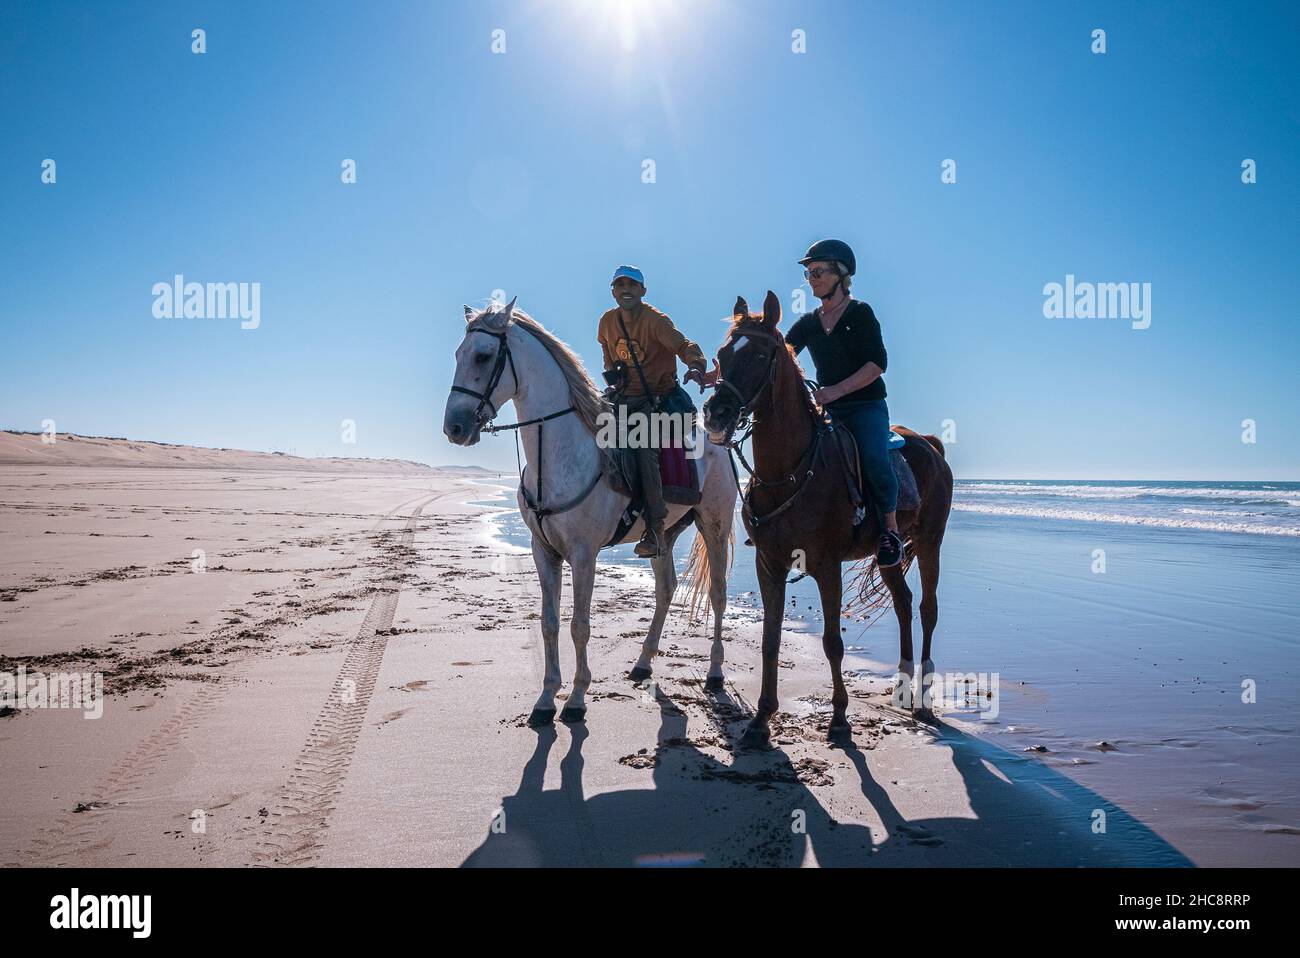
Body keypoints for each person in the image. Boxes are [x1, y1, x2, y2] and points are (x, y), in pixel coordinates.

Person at [785, 239, 904, 567]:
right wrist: (721, 372)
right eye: (808, 273)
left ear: (840, 274)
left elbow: (877, 364)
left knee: (873, 456)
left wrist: (835, 391)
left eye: (818, 271)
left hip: (866, 406)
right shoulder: (809, 322)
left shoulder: (861, 313)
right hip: (829, 409)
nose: (812, 278)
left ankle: (890, 532)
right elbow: (779, 353)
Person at [597, 266, 716, 558]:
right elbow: (608, 359)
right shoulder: (607, 322)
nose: (625, 289)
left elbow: (685, 346)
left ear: (642, 291)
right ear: (612, 291)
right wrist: (613, 382)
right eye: (619, 285)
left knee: (643, 447)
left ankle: (654, 526)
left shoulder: (656, 321)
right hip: (624, 400)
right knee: (589, 430)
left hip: (662, 403)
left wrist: (695, 366)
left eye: (632, 285)